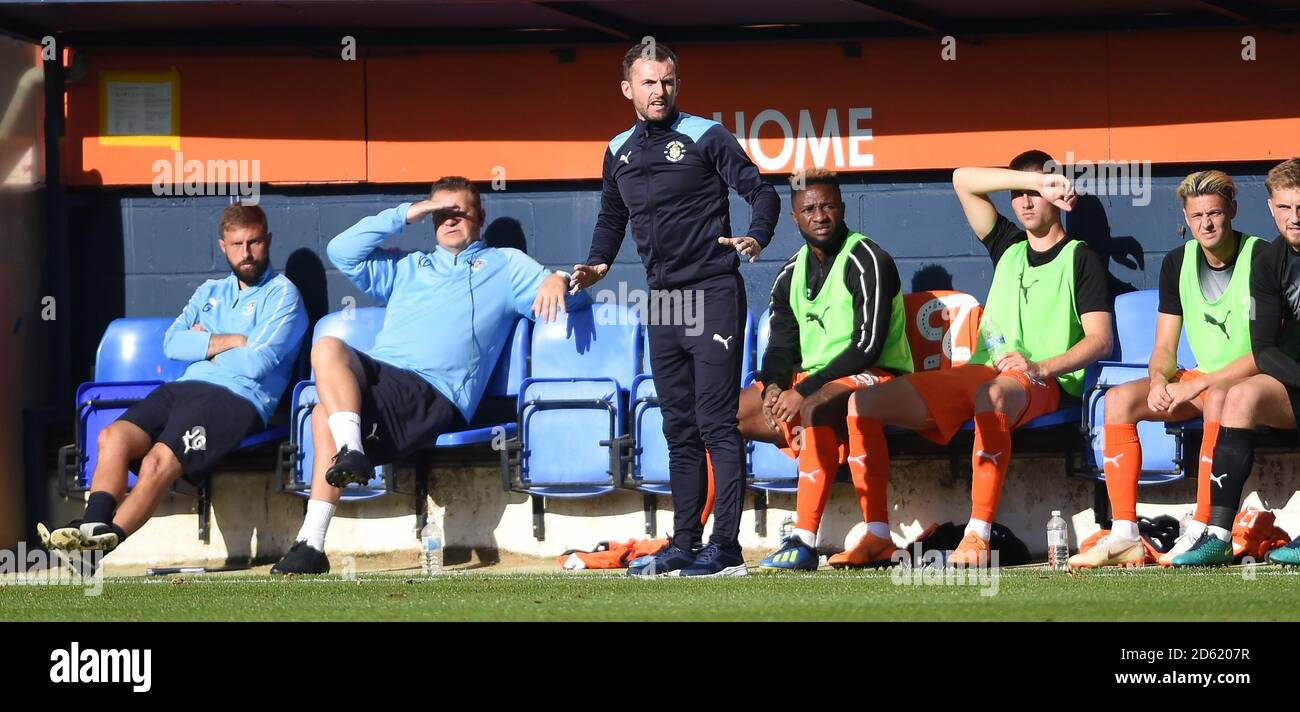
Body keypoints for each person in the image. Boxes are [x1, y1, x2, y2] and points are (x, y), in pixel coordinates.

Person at [271, 176, 588, 574]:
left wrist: (559, 278)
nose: (449, 221)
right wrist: (408, 213)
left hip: (435, 392)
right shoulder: (409, 267)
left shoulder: (505, 265)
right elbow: (341, 250)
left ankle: (313, 537)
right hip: (387, 376)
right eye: (440, 214)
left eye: (459, 213)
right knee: (327, 349)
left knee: (322, 414)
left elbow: (576, 300)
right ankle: (316, 535)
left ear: (480, 217)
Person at [570, 40, 779, 577]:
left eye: (666, 82)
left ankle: (726, 548)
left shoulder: (706, 135)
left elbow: (763, 193)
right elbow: (611, 219)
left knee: (716, 424)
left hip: (712, 293)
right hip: (662, 302)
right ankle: (685, 542)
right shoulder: (617, 149)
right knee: (677, 428)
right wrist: (596, 264)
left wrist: (755, 237)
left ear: (676, 85)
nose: (658, 92)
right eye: (648, 83)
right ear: (628, 90)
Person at [844, 150, 1113, 567]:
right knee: (862, 403)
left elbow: (1100, 341)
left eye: (1038, 192)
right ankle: (876, 534)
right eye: (1019, 192)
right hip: (982, 371)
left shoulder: (1081, 257)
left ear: (1059, 196)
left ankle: (977, 535)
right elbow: (961, 179)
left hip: (1042, 382)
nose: (1026, 201)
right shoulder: (1007, 243)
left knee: (991, 396)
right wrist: (1032, 181)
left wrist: (1039, 367)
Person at [39, 204, 308, 564]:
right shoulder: (210, 291)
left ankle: (101, 546)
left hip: (238, 399)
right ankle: (91, 530)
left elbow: (257, 364)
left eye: (255, 242)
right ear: (222, 246)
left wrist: (204, 344)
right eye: (237, 244)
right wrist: (231, 340)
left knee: (157, 462)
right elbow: (172, 343)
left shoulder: (284, 296)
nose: (246, 253)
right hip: (185, 387)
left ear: (268, 240)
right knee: (112, 437)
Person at [1068, 171, 1260, 568]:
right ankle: (1125, 534)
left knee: (1220, 397)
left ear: (1233, 212)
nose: (1205, 224)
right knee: (1119, 400)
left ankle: (1204, 528)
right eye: (1196, 216)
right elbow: (1164, 347)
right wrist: (1158, 378)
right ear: (1186, 219)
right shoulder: (1177, 262)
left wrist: (1202, 384)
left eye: (1214, 213)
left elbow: (1266, 351)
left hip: (1250, 383)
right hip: (1201, 381)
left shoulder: (1261, 257)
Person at [749, 169, 914, 572]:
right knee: (725, 412)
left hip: (879, 375)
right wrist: (773, 385)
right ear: (795, 217)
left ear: (841, 209)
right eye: (809, 209)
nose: (819, 215)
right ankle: (706, 540)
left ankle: (804, 540)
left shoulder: (867, 258)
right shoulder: (790, 272)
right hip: (818, 384)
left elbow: (866, 345)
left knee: (815, 406)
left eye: (827, 206)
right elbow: (782, 345)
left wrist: (802, 392)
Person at [1175, 158, 1300, 567]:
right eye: (1284, 208)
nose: (1294, 218)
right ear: (1270, 208)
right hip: (1293, 381)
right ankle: (1218, 534)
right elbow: (1264, 349)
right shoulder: (1270, 262)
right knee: (1238, 396)